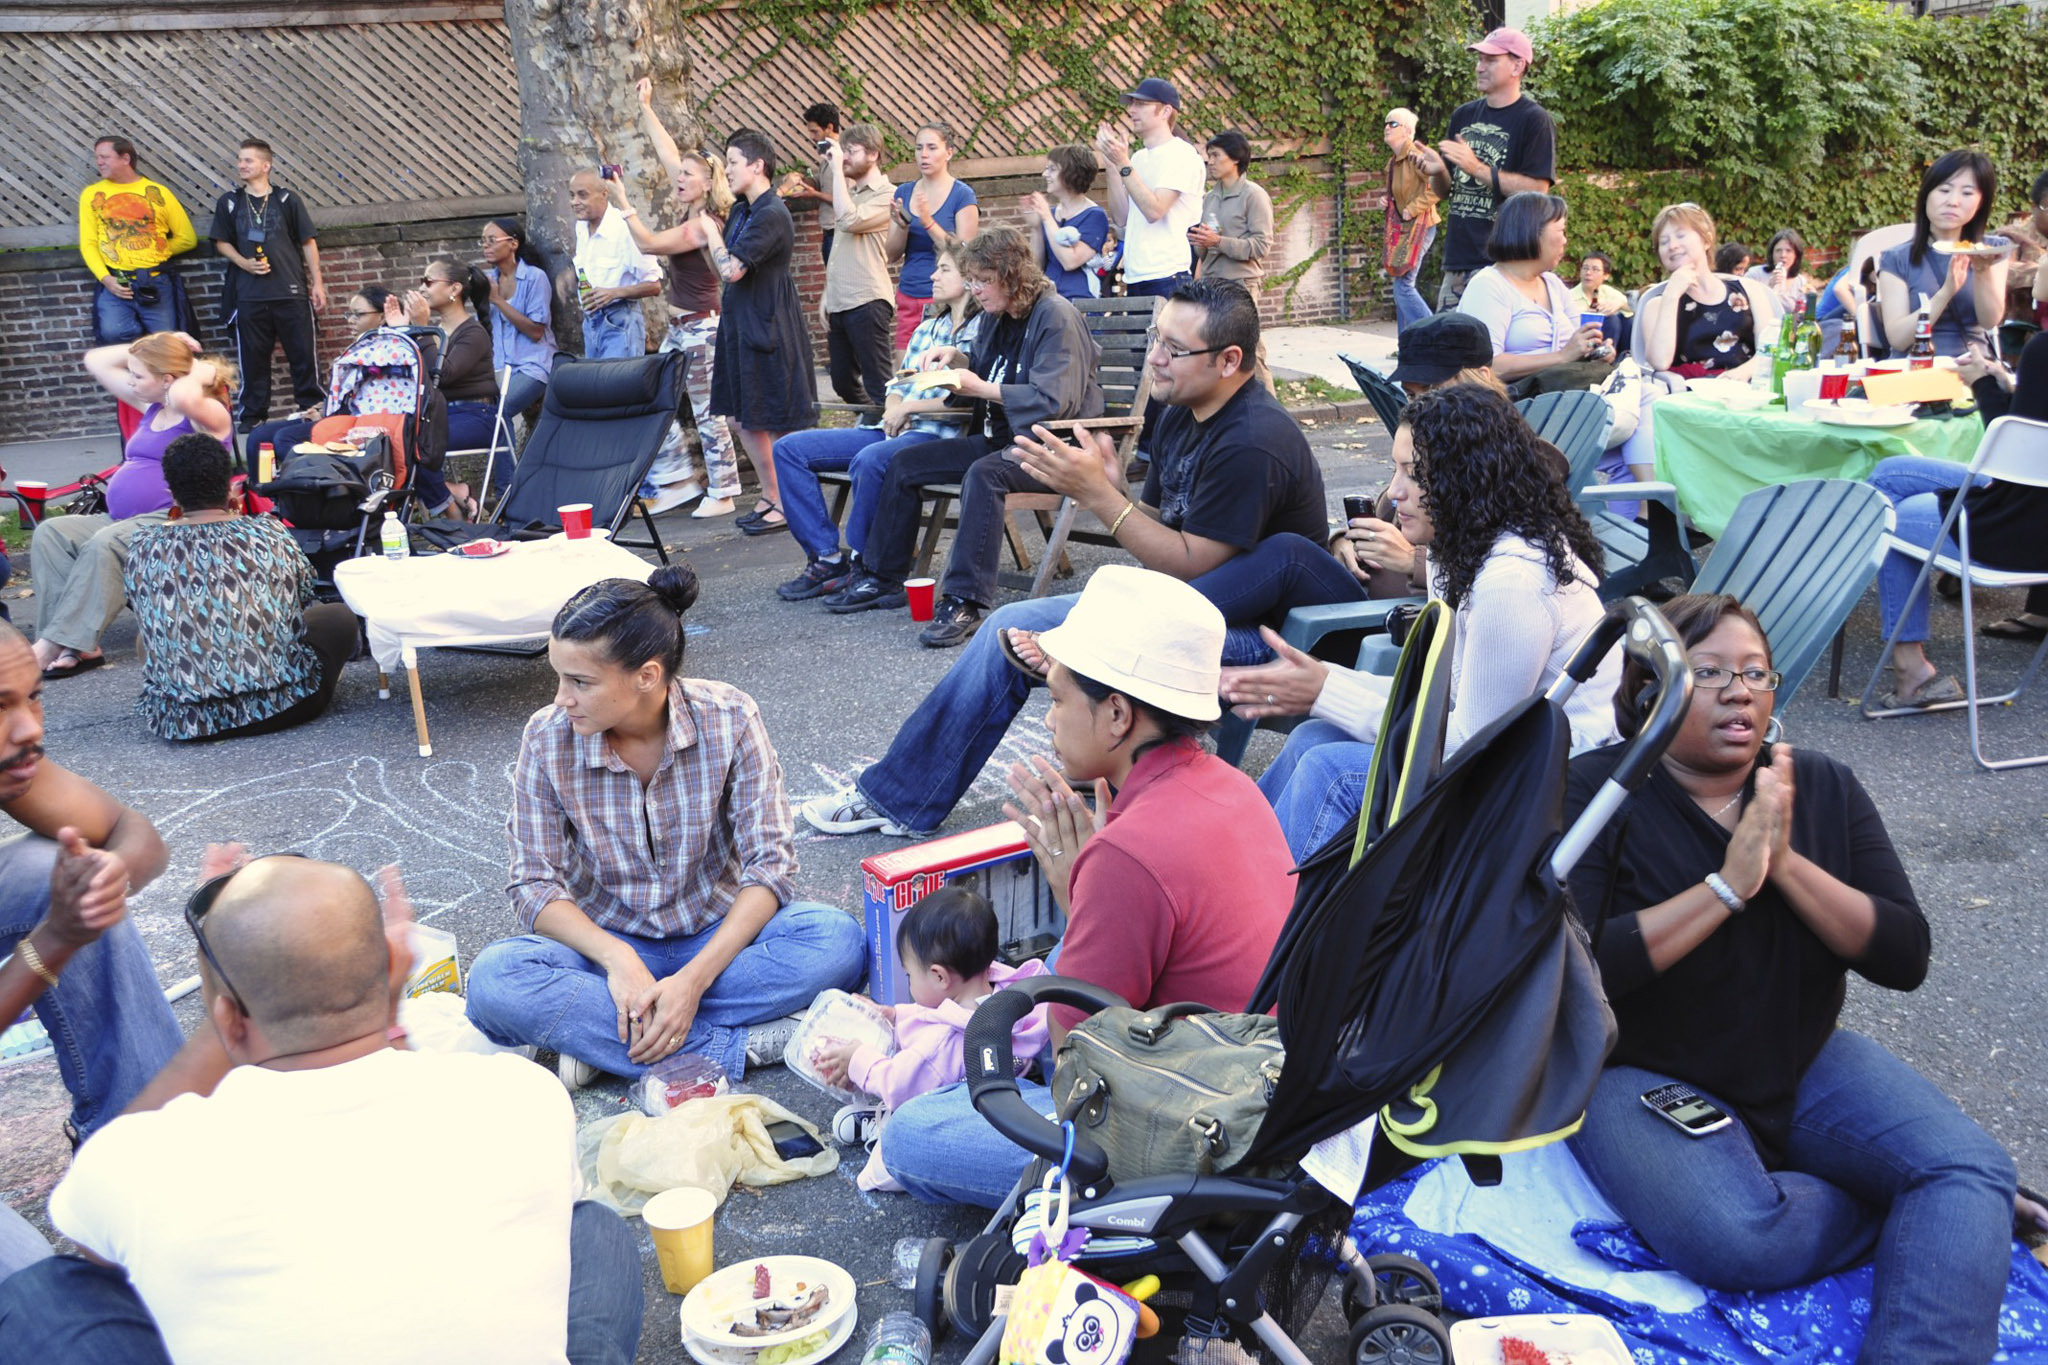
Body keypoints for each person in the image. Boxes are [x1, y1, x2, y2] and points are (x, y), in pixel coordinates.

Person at [1563, 593, 2017, 1365]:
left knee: (1970, 1168)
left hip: (1799, 1055)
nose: (1739, 691)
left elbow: (1903, 955)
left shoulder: (1823, 785)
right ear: (1649, 689)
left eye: (1755, 672)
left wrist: (1784, 865)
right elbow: (1575, 971)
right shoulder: (1595, 793)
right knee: (1742, 1236)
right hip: (1636, 1069)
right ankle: (1899, 1207)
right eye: (1709, 673)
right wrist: (1725, 886)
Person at [0, 850, 645, 1364]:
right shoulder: (522, 1097)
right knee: (591, 1229)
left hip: (259, 1029)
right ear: (393, 974)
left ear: (228, 1019)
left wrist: (230, 994)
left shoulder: (138, 1160)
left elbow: (103, 1259)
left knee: (45, 1293)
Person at [799, 277, 1326, 839]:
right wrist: (1114, 486)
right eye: (1156, 338)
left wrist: (1100, 497)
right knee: (1009, 625)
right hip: (1184, 606)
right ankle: (902, 797)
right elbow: (1159, 524)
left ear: (1229, 360)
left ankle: (1058, 752)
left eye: (1174, 349)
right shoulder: (1181, 408)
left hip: (1260, 635)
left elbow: (1191, 564)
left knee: (1045, 631)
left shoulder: (1252, 440)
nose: (1155, 358)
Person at [875, 566, 1297, 1205]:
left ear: (1118, 715)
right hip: (1267, 1088)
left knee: (912, 1134)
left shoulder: (1127, 851)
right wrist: (1088, 888)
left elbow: (1078, 1068)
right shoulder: (1234, 787)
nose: (1049, 721)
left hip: (1198, 1135)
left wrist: (1082, 891)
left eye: (1057, 699)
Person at [466, 567, 865, 1085]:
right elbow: (532, 884)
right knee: (494, 981)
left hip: (719, 941)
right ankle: (738, 1047)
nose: (562, 698)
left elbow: (770, 868)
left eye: (580, 682)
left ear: (647, 676)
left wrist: (693, 982)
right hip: (604, 947)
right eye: (559, 677)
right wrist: (619, 960)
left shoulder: (729, 716)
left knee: (837, 941)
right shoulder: (547, 736)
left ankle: (609, 1036)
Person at [1220, 383, 1618, 860]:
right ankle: (1229, 873)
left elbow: (1472, 747)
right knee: (1312, 736)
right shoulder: (1459, 555)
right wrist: (1325, 679)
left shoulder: (1512, 582)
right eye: (1396, 469)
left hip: (1555, 789)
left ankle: (1266, 904)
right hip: (1513, 762)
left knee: (1332, 770)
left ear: (1468, 478)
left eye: (1415, 473)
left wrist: (1325, 691)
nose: (1394, 491)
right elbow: (1438, 700)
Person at [822, 225, 1104, 632]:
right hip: (999, 440)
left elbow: (1055, 400)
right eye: (972, 280)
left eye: (984, 280)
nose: (976, 290)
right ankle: (883, 577)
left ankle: (963, 600)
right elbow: (986, 372)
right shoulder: (995, 317)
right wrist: (956, 360)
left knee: (984, 475)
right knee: (904, 463)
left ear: (1012, 275)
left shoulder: (1055, 316)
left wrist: (977, 386)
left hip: (1050, 449)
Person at [0, 619, 181, 1155]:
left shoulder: (12, 757)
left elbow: (134, 832)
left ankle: (142, 1144)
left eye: (33, 698)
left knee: (62, 873)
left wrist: (107, 877)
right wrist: (57, 937)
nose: (29, 729)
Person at [774, 243, 983, 602]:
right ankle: (827, 559)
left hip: (937, 436)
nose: (933, 276)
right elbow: (897, 384)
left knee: (870, 460)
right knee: (789, 449)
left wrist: (909, 409)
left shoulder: (982, 331)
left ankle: (864, 562)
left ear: (968, 278)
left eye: (944, 269)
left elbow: (966, 397)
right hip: (893, 429)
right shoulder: (927, 328)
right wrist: (894, 408)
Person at [812, 885, 1050, 1192]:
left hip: (948, 1109)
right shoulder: (1004, 988)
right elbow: (938, 1013)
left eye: (910, 975)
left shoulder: (942, 1044)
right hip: (996, 1099)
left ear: (939, 976)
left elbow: (896, 1083)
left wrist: (857, 1058)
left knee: (894, 1155)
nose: (909, 982)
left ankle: (887, 1130)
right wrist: (895, 1016)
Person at [124, 434, 358, 741]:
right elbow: (302, 596)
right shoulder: (268, 532)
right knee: (338, 615)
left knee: (144, 637)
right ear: (230, 487)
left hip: (185, 722)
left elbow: (144, 610)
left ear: (171, 493)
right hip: (286, 705)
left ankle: (187, 690)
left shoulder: (143, 546)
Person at [31, 333, 233, 680]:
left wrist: (200, 370)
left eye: (139, 375)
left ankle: (51, 645)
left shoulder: (205, 411)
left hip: (174, 518)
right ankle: (77, 646)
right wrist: (161, 341)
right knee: (52, 533)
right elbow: (95, 360)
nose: (131, 381)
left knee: (106, 543)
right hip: (123, 517)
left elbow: (183, 395)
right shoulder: (153, 408)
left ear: (167, 379)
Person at [1866, 331, 2048, 705]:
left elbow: (2008, 459)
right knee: (1889, 474)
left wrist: (1982, 383)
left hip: (2019, 526)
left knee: (1889, 515)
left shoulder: (2043, 349)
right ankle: (1904, 645)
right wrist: (2008, 385)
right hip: (2031, 500)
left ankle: (1910, 668)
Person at [616, 78, 744, 518]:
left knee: (709, 414)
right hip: (680, 329)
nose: (679, 177)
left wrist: (623, 202)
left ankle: (723, 492)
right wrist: (646, 107)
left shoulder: (703, 225)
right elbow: (668, 152)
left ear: (707, 184)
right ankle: (677, 480)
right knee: (653, 396)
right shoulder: (692, 206)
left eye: (689, 175)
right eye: (681, 173)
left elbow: (649, 244)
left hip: (703, 328)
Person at [700, 129, 819, 536]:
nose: (728, 170)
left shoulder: (771, 214)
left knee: (777, 420)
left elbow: (732, 270)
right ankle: (771, 495)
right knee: (740, 418)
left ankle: (788, 502)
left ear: (757, 166)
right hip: (739, 323)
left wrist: (710, 233)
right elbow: (724, 267)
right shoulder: (742, 210)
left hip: (768, 324)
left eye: (733, 162)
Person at [1618, 203, 1775, 484]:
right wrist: (1673, 294)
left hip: (1750, 393)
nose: (1672, 246)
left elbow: (1771, 349)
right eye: (1664, 241)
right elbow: (1659, 361)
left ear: (1706, 239)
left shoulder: (1748, 290)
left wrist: (1742, 373)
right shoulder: (1657, 303)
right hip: (1692, 399)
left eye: (1680, 235)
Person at [1416, 28, 1556, 311]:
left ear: (1517, 66)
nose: (1480, 67)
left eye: (1491, 60)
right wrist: (1439, 171)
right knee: (1449, 339)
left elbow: (1538, 190)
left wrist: (1476, 167)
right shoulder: (1463, 115)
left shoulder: (1535, 120)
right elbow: (1446, 192)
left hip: (1507, 265)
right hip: (1459, 263)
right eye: (1479, 59)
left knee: (1495, 340)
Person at [211, 138, 327, 432]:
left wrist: (317, 283)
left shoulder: (287, 200)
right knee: (252, 359)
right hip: (248, 295)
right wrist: (244, 263)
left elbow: (308, 242)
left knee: (303, 355)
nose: (241, 165)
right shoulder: (230, 202)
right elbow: (221, 242)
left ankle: (313, 408)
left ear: (266, 165)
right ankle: (252, 416)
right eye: (240, 160)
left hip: (290, 291)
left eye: (248, 160)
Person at [1455, 191, 1613, 392]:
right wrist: (1561, 357)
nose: (1565, 241)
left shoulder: (1553, 284)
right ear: (1531, 232)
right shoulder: (1488, 285)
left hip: (1565, 395)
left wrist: (1595, 350)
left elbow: (1577, 343)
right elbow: (1484, 365)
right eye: (1561, 231)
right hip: (1513, 401)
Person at [243, 285, 393, 471]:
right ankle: (261, 490)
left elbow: (368, 400)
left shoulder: (390, 352)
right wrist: (324, 409)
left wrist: (328, 414)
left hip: (359, 423)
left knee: (284, 440)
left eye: (358, 314)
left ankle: (324, 480)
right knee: (258, 436)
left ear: (382, 317)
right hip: (334, 415)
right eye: (349, 314)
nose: (351, 320)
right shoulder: (358, 348)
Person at [1878, 149, 2008, 358]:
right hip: (1916, 367)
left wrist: (1982, 271)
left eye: (1967, 193)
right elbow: (1898, 339)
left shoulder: (1992, 250)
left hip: (1973, 367)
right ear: (1926, 195)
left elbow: (1990, 321)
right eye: (1944, 190)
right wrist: (1946, 292)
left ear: (1981, 202)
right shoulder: (1897, 258)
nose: (1953, 201)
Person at [398, 257, 499, 518]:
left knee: (417, 443)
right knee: (396, 439)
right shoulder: (434, 332)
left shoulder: (473, 333)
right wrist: (400, 330)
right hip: (438, 416)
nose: (422, 288)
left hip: (477, 416)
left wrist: (421, 330)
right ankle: (454, 495)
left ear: (454, 289)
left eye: (428, 281)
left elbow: (443, 376)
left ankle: (453, 514)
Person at [78, 135, 196, 346]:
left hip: (155, 281)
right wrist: (106, 279)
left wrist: (157, 249)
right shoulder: (92, 195)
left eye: (105, 157)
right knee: (114, 335)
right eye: (97, 158)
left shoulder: (160, 193)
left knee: (166, 343)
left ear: (125, 158)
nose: (99, 162)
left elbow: (187, 238)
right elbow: (89, 244)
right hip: (116, 282)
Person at [1096, 77, 1205, 301]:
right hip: (1136, 275)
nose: (1131, 110)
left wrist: (1123, 164)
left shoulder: (1182, 155)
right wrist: (1112, 166)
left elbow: (1155, 210)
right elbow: (1122, 217)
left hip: (1169, 275)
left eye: (1141, 104)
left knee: (1163, 328)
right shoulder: (1138, 158)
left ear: (1165, 111)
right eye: (1131, 104)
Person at [818, 122, 897, 407]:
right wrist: (827, 293)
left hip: (867, 299)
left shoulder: (889, 195)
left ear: (873, 154)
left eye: (851, 151)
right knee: (842, 382)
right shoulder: (848, 196)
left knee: (879, 383)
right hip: (840, 302)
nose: (845, 157)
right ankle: (872, 417)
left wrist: (838, 171)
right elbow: (841, 251)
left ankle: (890, 424)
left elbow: (849, 221)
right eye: (844, 151)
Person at [887, 122, 981, 350]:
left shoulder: (963, 195)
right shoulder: (904, 192)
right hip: (910, 292)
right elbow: (891, 254)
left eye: (932, 148)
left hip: (946, 299)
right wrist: (901, 226)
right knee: (905, 367)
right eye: (919, 148)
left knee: (939, 365)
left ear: (949, 152)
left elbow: (964, 254)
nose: (924, 155)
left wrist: (928, 223)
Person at [569, 169, 661, 360]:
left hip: (620, 321)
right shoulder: (581, 226)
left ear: (604, 194)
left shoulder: (623, 228)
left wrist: (614, 293)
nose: (574, 202)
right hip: (591, 321)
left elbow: (654, 285)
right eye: (572, 195)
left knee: (618, 379)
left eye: (582, 195)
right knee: (594, 379)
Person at [480, 217, 558, 436]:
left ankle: (506, 461)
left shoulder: (534, 278)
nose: (486, 246)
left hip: (532, 365)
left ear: (513, 243)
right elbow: (484, 328)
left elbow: (536, 331)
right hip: (499, 367)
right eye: (483, 241)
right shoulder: (487, 281)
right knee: (477, 412)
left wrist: (498, 301)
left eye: (492, 240)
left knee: (500, 411)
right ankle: (508, 457)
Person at [1022, 143, 1112, 301]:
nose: (1044, 174)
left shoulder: (1094, 216)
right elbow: (1036, 268)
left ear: (1071, 173)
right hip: (1049, 299)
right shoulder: (1050, 214)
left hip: (1079, 302)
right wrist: (1035, 228)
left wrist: (1046, 217)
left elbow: (1070, 261)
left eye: (1052, 169)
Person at [1382, 108, 1441, 331]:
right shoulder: (1394, 162)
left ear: (1407, 131)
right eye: (1386, 123)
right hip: (1405, 230)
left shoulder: (1416, 157)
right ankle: (1406, 343)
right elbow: (1398, 193)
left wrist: (1413, 208)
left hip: (1422, 227)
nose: (1387, 127)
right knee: (1401, 284)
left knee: (1403, 286)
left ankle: (1435, 332)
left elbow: (1438, 187)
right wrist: (1386, 200)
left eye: (1392, 124)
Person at [1190, 130, 1273, 291]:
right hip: (1210, 285)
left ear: (1235, 158)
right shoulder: (1209, 198)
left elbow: (1261, 246)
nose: (1210, 162)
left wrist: (1218, 242)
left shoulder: (1254, 195)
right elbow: (1204, 253)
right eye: (1209, 156)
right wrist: (1201, 241)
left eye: (1216, 155)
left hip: (1240, 285)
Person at [777, 101, 842, 265]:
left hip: (840, 233)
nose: (812, 137)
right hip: (830, 231)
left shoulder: (841, 156)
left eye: (815, 131)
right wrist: (802, 181)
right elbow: (824, 181)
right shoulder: (827, 153)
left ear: (829, 127)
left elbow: (843, 198)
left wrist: (814, 194)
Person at [1992, 168, 2048, 325]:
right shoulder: (2011, 237)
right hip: (2019, 333)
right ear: (2034, 208)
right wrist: (2041, 273)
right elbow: (2000, 271)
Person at [1568, 249, 1632, 352]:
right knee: (1611, 320)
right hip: (1583, 344)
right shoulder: (1569, 297)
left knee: (1628, 320)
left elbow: (1634, 308)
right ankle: (1604, 357)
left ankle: (1626, 356)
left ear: (1606, 275)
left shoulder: (1608, 292)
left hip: (1613, 343)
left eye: (1595, 269)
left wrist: (1620, 304)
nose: (1588, 273)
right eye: (1585, 268)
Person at [1747, 228, 1813, 313]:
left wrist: (1811, 299)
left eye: (1788, 251)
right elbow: (1746, 306)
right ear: (1772, 254)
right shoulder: (1755, 274)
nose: (1783, 255)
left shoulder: (1800, 282)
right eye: (1778, 250)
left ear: (1796, 255)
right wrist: (1769, 288)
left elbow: (1799, 314)